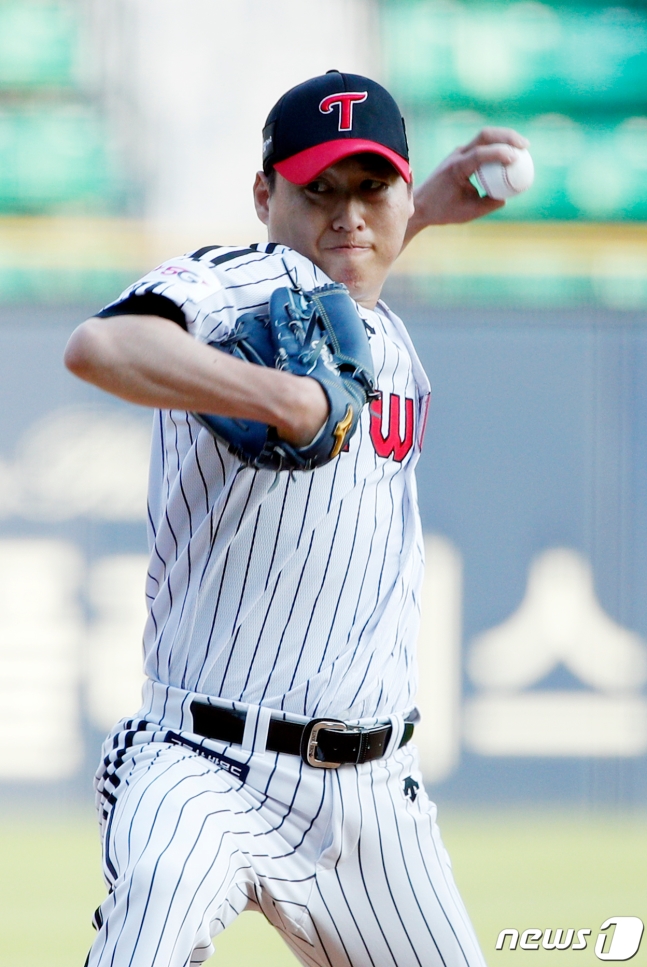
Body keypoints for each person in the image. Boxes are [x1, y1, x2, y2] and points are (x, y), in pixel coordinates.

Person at [65, 71, 527, 967]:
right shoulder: (244, 284)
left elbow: (351, 271)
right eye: (317, 189)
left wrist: (421, 208)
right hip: (205, 764)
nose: (346, 213)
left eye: (370, 188)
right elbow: (103, 345)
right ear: (263, 194)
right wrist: (285, 399)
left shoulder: (368, 310)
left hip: (372, 797)